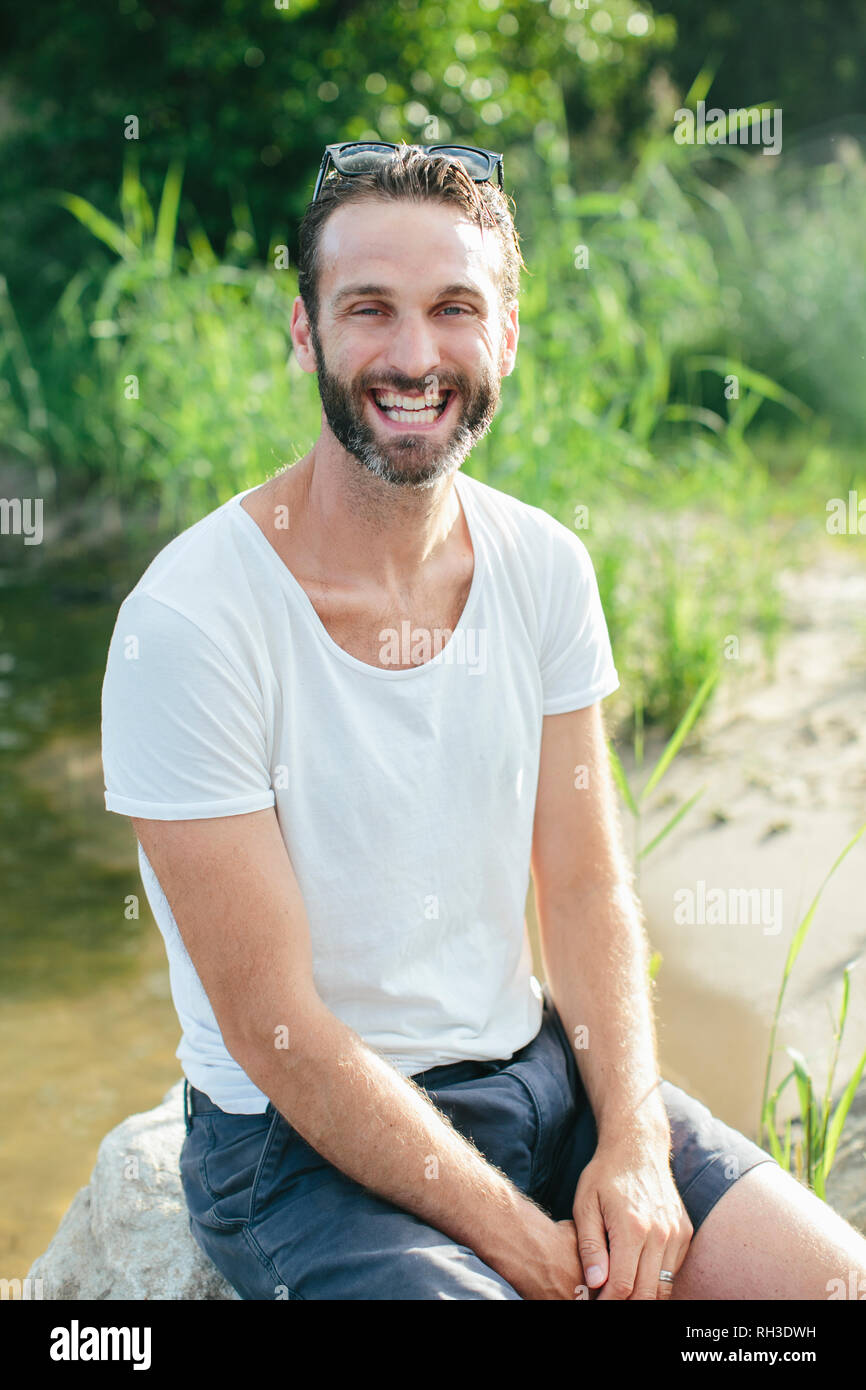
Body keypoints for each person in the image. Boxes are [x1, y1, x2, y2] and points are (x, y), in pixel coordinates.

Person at [101, 142, 866, 1300]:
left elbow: (583, 888)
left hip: (541, 1080)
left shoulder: (543, 566)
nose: (414, 356)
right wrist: (516, 1241)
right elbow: (277, 1031)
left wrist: (633, 1143)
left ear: (504, 336)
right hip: (301, 1156)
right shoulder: (192, 620)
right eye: (369, 310)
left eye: (453, 308)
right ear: (305, 334)